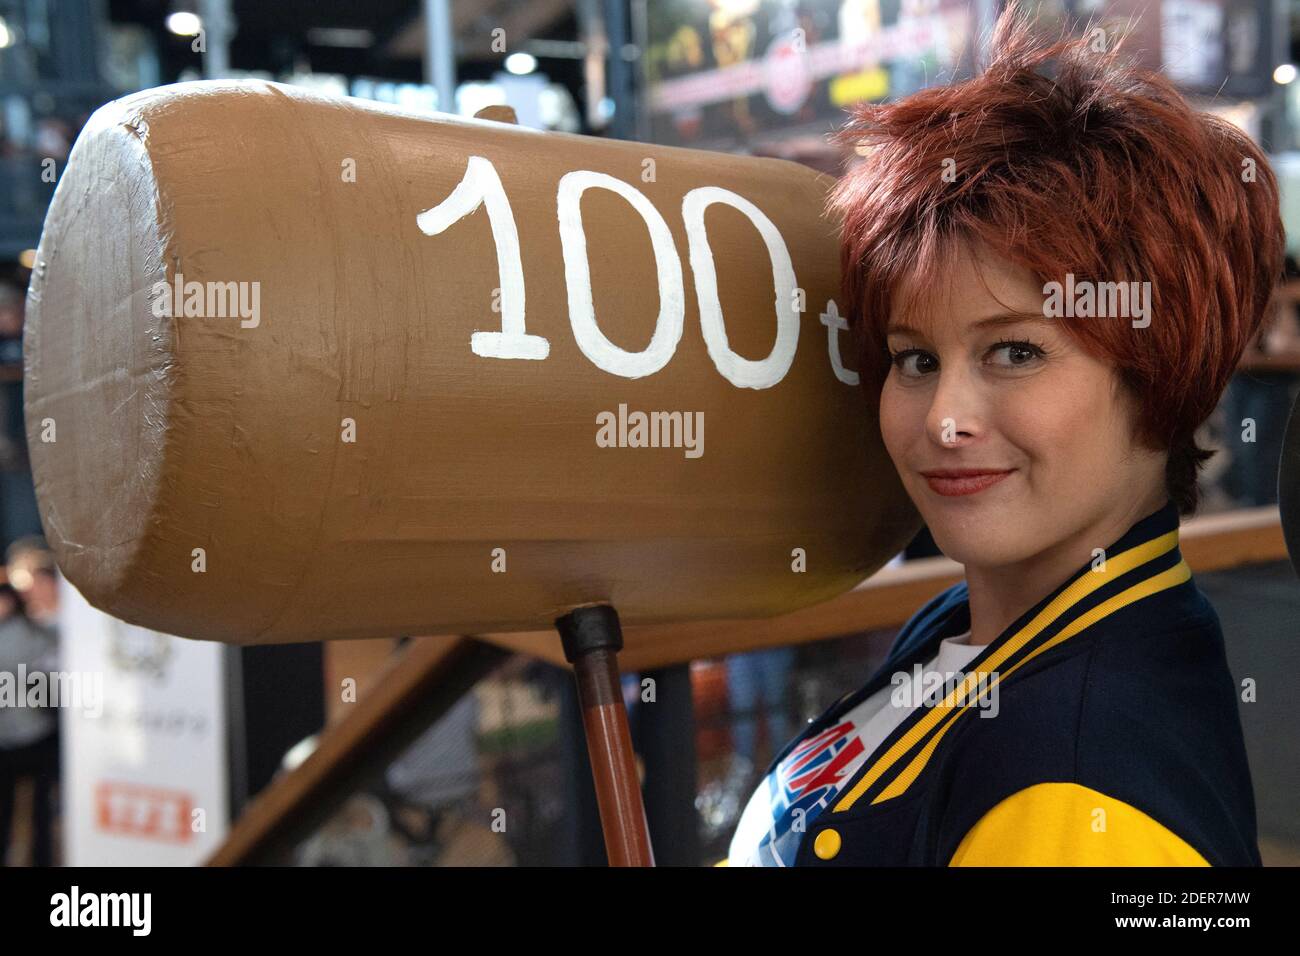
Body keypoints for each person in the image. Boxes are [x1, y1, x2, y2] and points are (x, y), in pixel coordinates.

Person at [722, 7, 1278, 866]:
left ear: (1161, 364)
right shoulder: (980, 618)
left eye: (1014, 351)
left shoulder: (1083, 801)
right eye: (912, 359)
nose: (944, 417)